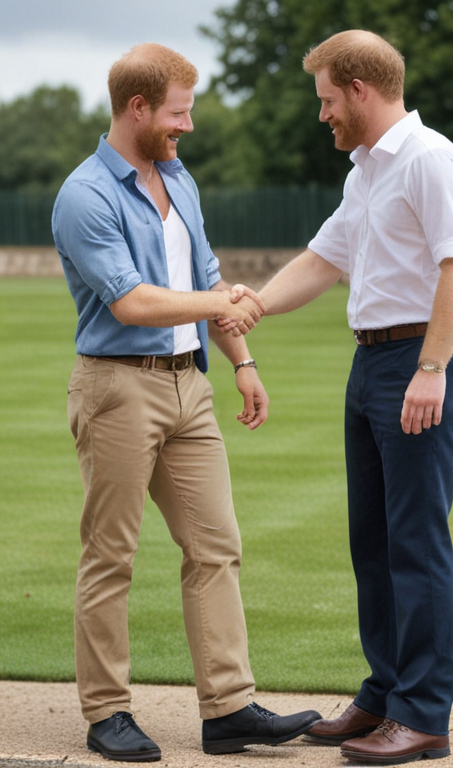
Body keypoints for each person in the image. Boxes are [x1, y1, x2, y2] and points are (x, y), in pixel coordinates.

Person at [51, 43, 320, 762]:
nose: (188, 126)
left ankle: (228, 709)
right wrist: (224, 300)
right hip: (116, 386)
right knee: (111, 555)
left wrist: (242, 359)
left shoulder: (178, 177)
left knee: (216, 547)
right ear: (137, 107)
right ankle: (107, 712)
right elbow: (135, 302)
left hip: (188, 382)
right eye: (179, 112)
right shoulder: (85, 195)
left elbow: (204, 271)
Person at [230, 29, 453, 765]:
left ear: (361, 91)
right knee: (371, 543)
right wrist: (255, 308)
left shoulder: (431, 160)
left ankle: (424, 716)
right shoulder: (365, 170)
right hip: (370, 362)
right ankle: (384, 695)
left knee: (416, 542)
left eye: (327, 99)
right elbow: (324, 257)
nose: (323, 115)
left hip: (418, 359)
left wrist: (431, 368)